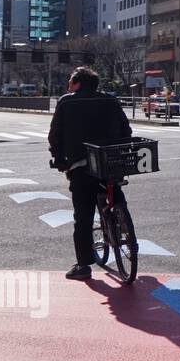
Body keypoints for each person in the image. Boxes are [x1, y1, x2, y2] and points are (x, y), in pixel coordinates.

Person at [48, 67, 133, 280]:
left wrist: (59, 160)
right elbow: (126, 130)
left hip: (80, 166)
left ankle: (84, 265)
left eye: (70, 80)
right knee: (115, 194)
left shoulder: (67, 102)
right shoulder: (111, 101)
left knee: (83, 217)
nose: (68, 84)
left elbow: (55, 136)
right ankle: (123, 225)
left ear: (77, 83)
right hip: (111, 162)